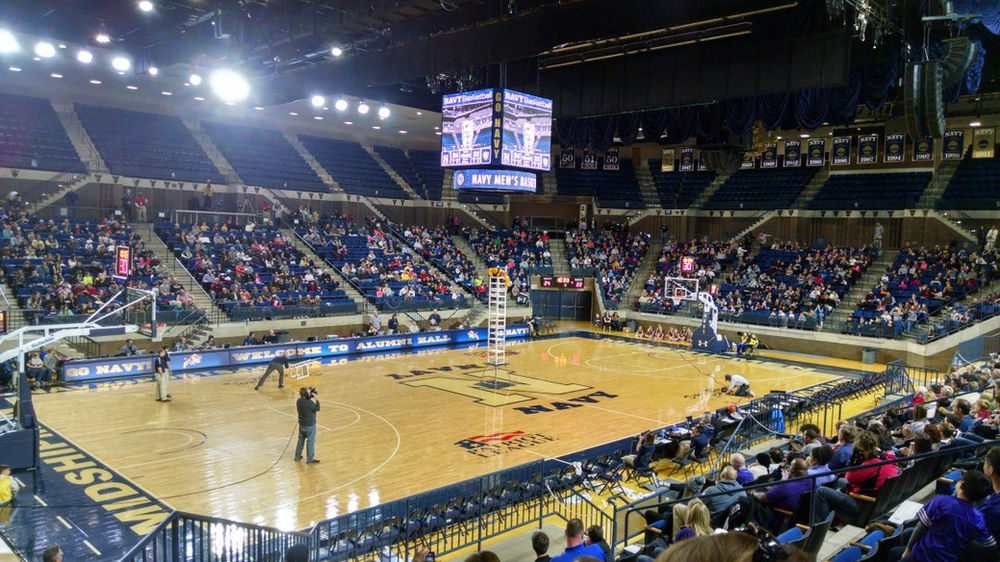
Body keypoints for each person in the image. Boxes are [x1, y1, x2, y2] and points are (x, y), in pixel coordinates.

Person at [896, 470, 996, 562]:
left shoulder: (941, 501)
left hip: (923, 555)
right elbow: (989, 545)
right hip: (950, 559)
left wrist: (908, 550)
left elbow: (920, 528)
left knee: (895, 552)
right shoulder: (978, 517)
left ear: (961, 486)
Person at [294, 387, 321, 464]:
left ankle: (297, 456)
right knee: (310, 441)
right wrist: (317, 399)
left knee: (300, 440)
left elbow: (305, 400)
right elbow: (317, 408)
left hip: (302, 424)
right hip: (310, 425)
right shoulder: (310, 403)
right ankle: (310, 459)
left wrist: (309, 395)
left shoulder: (298, 401)